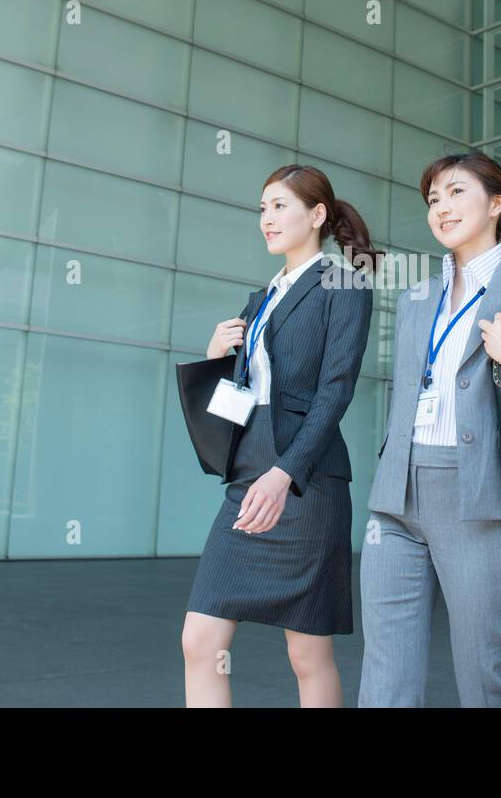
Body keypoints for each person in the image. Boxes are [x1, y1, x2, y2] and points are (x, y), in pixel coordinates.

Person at [358, 150, 501, 707]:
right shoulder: (417, 298)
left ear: (497, 203)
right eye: (434, 198)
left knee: (488, 681)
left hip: (481, 500)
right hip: (396, 501)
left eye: (457, 192)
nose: (442, 207)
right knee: (384, 675)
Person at [182, 164, 377, 708]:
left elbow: (336, 391)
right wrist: (216, 361)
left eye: (279, 206)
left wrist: (285, 471)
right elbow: (240, 401)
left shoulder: (343, 283)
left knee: (306, 653)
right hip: (248, 475)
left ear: (317, 215)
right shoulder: (260, 298)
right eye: (262, 207)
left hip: (305, 482)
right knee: (199, 641)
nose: (266, 218)